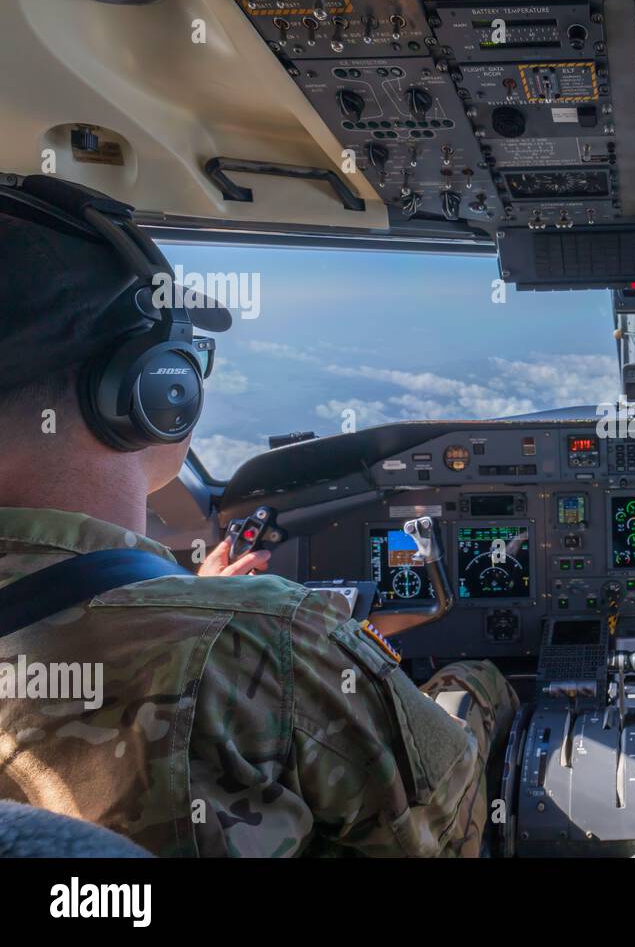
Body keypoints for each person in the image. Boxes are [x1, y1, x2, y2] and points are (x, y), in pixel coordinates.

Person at [0, 174, 516, 857]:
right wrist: (246, 627)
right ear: (158, 390)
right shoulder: (266, 637)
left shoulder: (232, 627)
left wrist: (193, 605)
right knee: (480, 680)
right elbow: (448, 834)